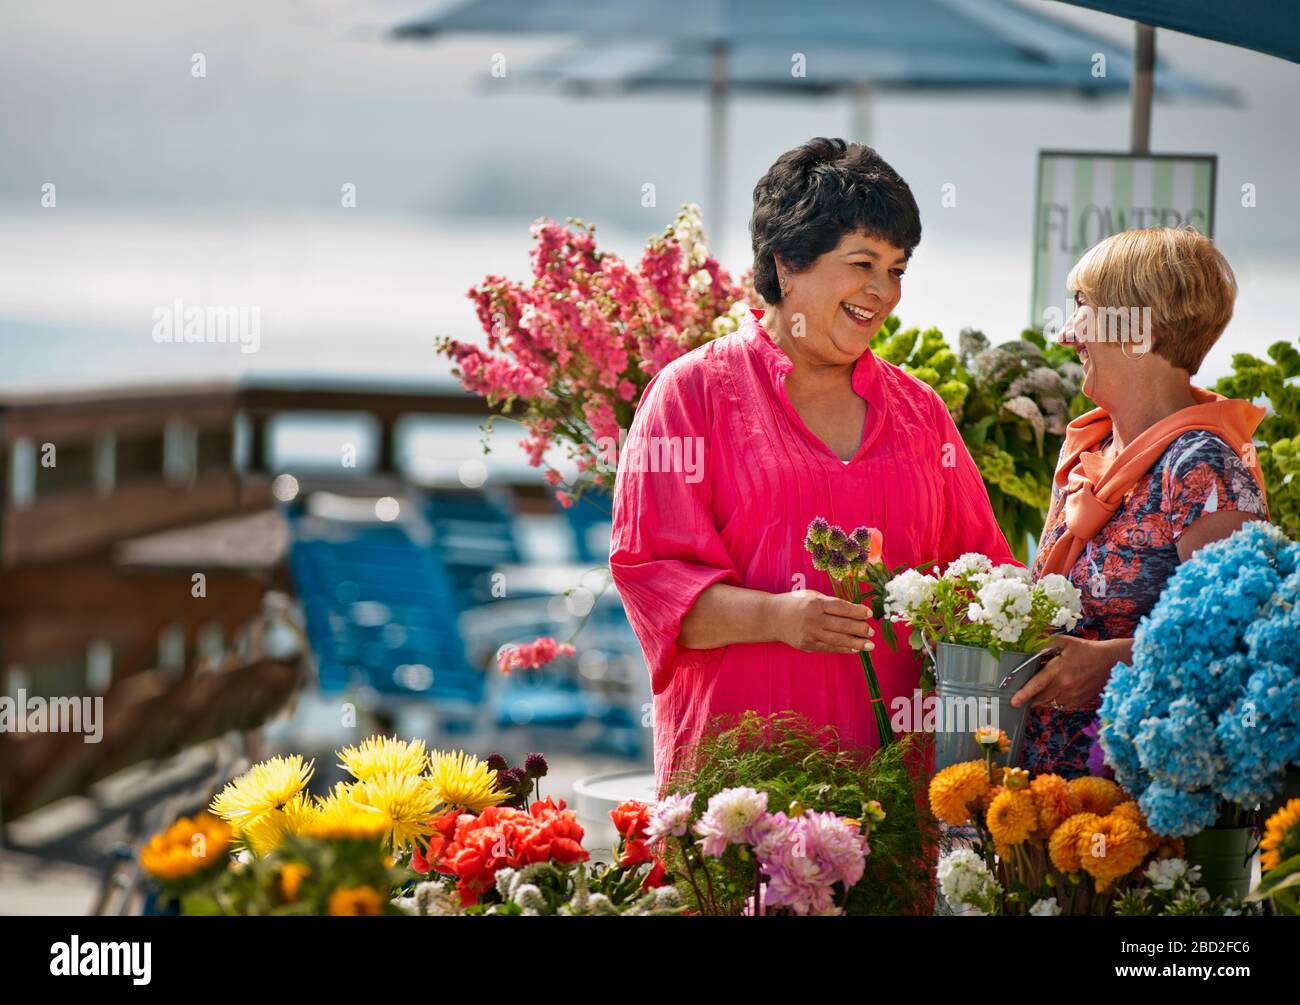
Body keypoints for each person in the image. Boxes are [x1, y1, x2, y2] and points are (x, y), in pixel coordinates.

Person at [609, 137, 1013, 789]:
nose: (884, 293)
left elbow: (986, 573)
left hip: (896, 806)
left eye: (898, 269)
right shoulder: (690, 396)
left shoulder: (922, 412)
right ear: (788, 262)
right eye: (863, 264)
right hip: (737, 803)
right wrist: (777, 616)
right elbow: (653, 584)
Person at [1014, 227, 1269, 776]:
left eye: (1082, 305)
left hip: (1136, 799)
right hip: (1041, 792)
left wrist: (1108, 665)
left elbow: (1239, 639)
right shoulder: (1088, 447)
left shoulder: (1202, 464)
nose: (1066, 332)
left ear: (1137, 325)